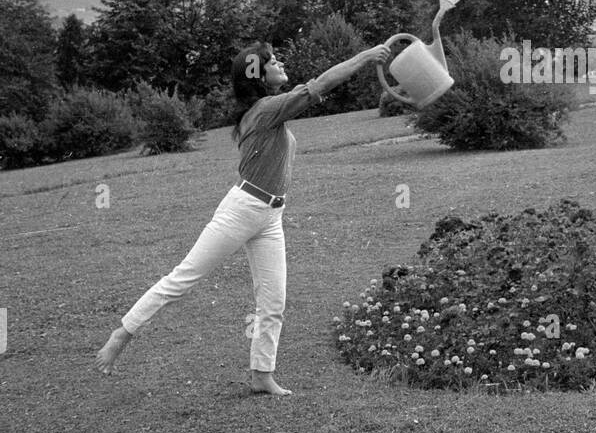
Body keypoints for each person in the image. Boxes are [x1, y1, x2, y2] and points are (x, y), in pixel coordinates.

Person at [94, 39, 392, 395]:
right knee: (184, 277)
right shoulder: (266, 109)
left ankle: (261, 374)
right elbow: (323, 83)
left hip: (270, 215)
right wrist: (365, 57)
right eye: (272, 60)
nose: (280, 62)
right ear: (257, 74)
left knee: (273, 301)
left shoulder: (268, 109)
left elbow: (310, 90)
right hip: (243, 209)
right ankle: (122, 334)